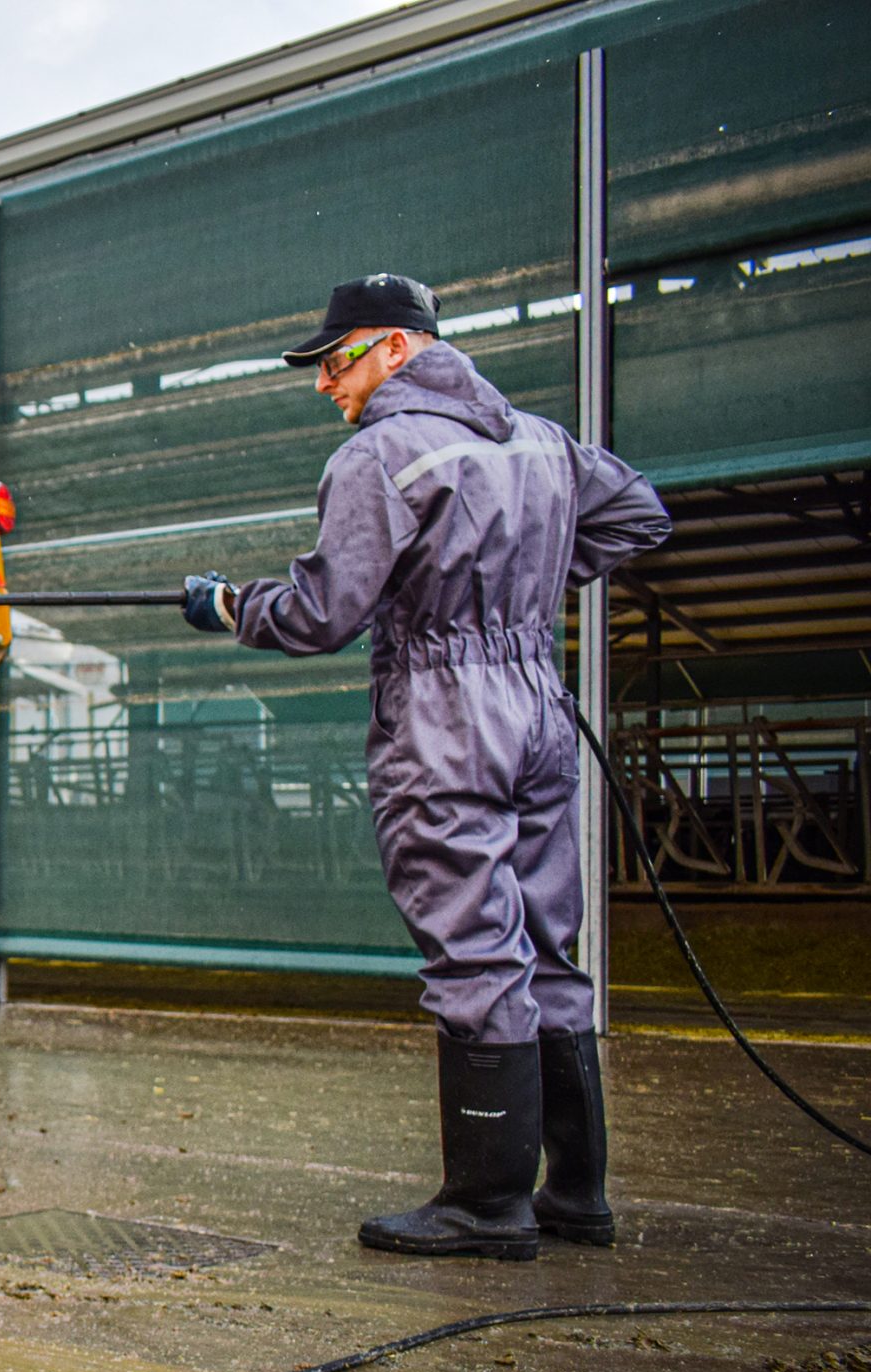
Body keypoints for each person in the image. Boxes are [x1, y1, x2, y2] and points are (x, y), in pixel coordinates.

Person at [181, 273, 671, 1260]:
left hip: (446, 715)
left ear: (397, 348)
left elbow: (319, 615)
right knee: (545, 945)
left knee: (476, 950)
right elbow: (639, 518)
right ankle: (575, 1194)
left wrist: (230, 606)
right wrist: (514, 590)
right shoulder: (538, 439)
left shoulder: (381, 455)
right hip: (535, 702)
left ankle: (487, 1204)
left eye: (335, 359)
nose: (325, 382)